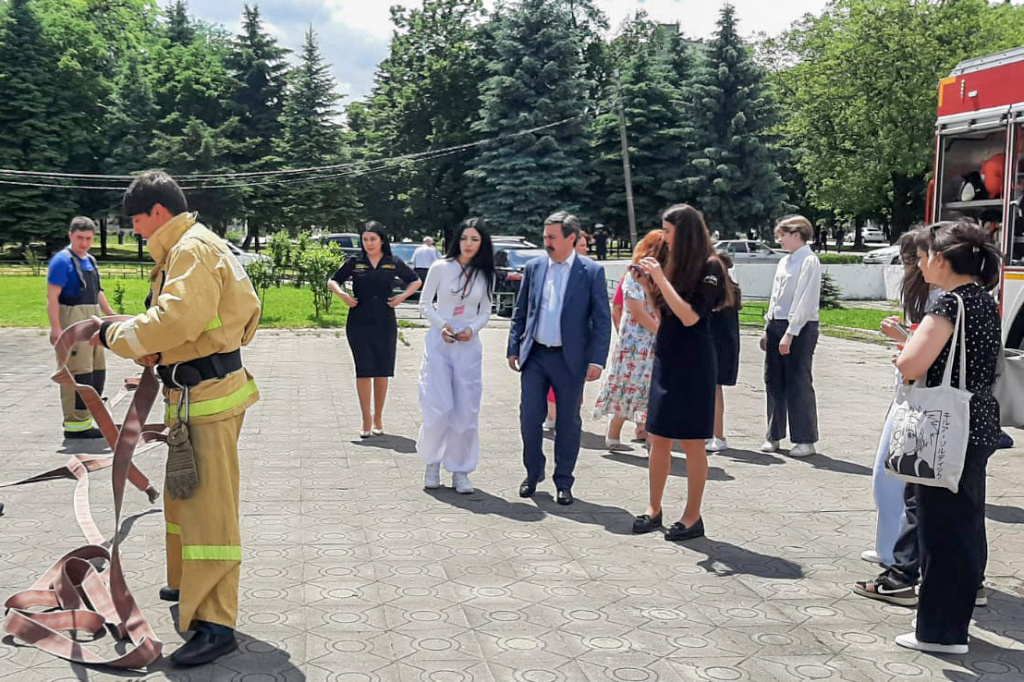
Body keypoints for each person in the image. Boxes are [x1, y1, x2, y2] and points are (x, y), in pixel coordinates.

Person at [92, 171, 262, 666]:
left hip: (206, 395)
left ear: (158, 212)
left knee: (208, 511)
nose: (135, 231)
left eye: (136, 221)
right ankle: (188, 585)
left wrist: (114, 336)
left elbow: (174, 318)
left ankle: (215, 622)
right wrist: (162, 352)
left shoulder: (191, 251)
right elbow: (192, 325)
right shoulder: (190, 247)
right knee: (183, 497)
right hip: (195, 393)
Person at [884, 220, 1001, 655]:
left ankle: (940, 632)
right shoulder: (983, 300)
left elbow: (912, 365)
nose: (921, 263)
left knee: (941, 533)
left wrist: (904, 354)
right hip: (977, 421)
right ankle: (950, 622)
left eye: (927, 254)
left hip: (947, 427)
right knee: (963, 527)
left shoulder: (950, 304)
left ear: (945, 260)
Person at [631, 205, 730, 541]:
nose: (664, 238)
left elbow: (690, 317)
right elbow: (665, 316)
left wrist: (660, 278)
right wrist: (648, 287)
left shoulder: (711, 267)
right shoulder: (673, 264)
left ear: (684, 232)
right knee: (657, 436)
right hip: (667, 356)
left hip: (695, 362)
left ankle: (692, 516)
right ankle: (653, 508)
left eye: (668, 231)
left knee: (691, 441)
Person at [507, 211, 611, 505]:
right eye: (545, 237)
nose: (547, 242)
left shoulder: (590, 272)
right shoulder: (535, 267)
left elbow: (602, 320)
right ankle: (533, 472)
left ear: (571, 238)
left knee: (568, 423)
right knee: (529, 418)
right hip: (535, 356)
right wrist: (513, 346)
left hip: (570, 359)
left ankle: (563, 481)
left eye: (552, 237)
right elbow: (521, 310)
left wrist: (597, 360)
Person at [856, 229, 938, 569]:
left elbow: (930, 351)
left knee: (893, 477)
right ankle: (893, 550)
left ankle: (898, 557)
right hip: (909, 392)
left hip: (923, 397)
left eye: (914, 259)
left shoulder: (944, 298)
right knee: (892, 478)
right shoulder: (926, 293)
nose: (911, 267)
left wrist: (902, 337)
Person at [416, 218, 495, 494]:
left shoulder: (484, 274)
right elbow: (425, 304)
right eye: (464, 238)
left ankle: (461, 469)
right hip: (440, 342)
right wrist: (442, 326)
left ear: (482, 243)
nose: (469, 244)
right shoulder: (440, 267)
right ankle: (432, 462)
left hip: (468, 346)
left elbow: (486, 311)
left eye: (475, 239)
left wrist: (473, 329)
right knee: (438, 407)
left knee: (466, 410)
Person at [329, 222, 421, 437]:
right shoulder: (355, 262)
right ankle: (366, 420)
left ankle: (378, 417)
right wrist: (343, 295)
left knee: (381, 370)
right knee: (363, 370)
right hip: (359, 320)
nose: (369, 243)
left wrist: (402, 297)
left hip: (384, 320)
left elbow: (415, 281)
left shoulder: (392, 262)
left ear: (381, 240)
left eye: (373, 239)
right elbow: (333, 280)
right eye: (365, 239)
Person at [593, 230, 665, 450]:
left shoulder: (663, 276)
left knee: (649, 389)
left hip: (653, 343)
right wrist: (663, 333)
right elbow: (637, 311)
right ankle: (614, 432)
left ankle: (650, 435)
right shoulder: (634, 275)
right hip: (635, 343)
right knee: (627, 386)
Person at [47, 217, 116, 439]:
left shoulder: (91, 260)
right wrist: (56, 329)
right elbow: (52, 297)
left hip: (93, 322)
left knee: (96, 371)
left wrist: (111, 315)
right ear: (70, 235)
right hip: (73, 323)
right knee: (79, 373)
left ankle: (88, 418)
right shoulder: (61, 261)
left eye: (88, 238)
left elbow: (97, 291)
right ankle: (75, 425)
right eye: (80, 238)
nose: (84, 243)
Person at [761, 215, 822, 457]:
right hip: (777, 323)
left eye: (782, 235)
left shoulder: (809, 260)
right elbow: (776, 296)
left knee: (798, 381)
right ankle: (773, 434)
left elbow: (804, 300)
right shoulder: (784, 261)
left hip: (800, 327)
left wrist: (790, 333)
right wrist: (768, 326)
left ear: (797, 234)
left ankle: (805, 439)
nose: (779, 240)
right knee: (773, 380)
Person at [543, 230, 595, 429]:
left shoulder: (590, 273)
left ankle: (566, 417)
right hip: (555, 340)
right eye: (582, 246)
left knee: (575, 383)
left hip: (580, 341)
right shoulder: (554, 272)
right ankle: (553, 416)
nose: (586, 250)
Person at [706, 250, 741, 453]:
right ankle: (713, 433)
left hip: (715, 345)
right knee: (712, 389)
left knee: (714, 389)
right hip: (723, 344)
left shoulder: (718, 290)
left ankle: (718, 435)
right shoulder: (730, 288)